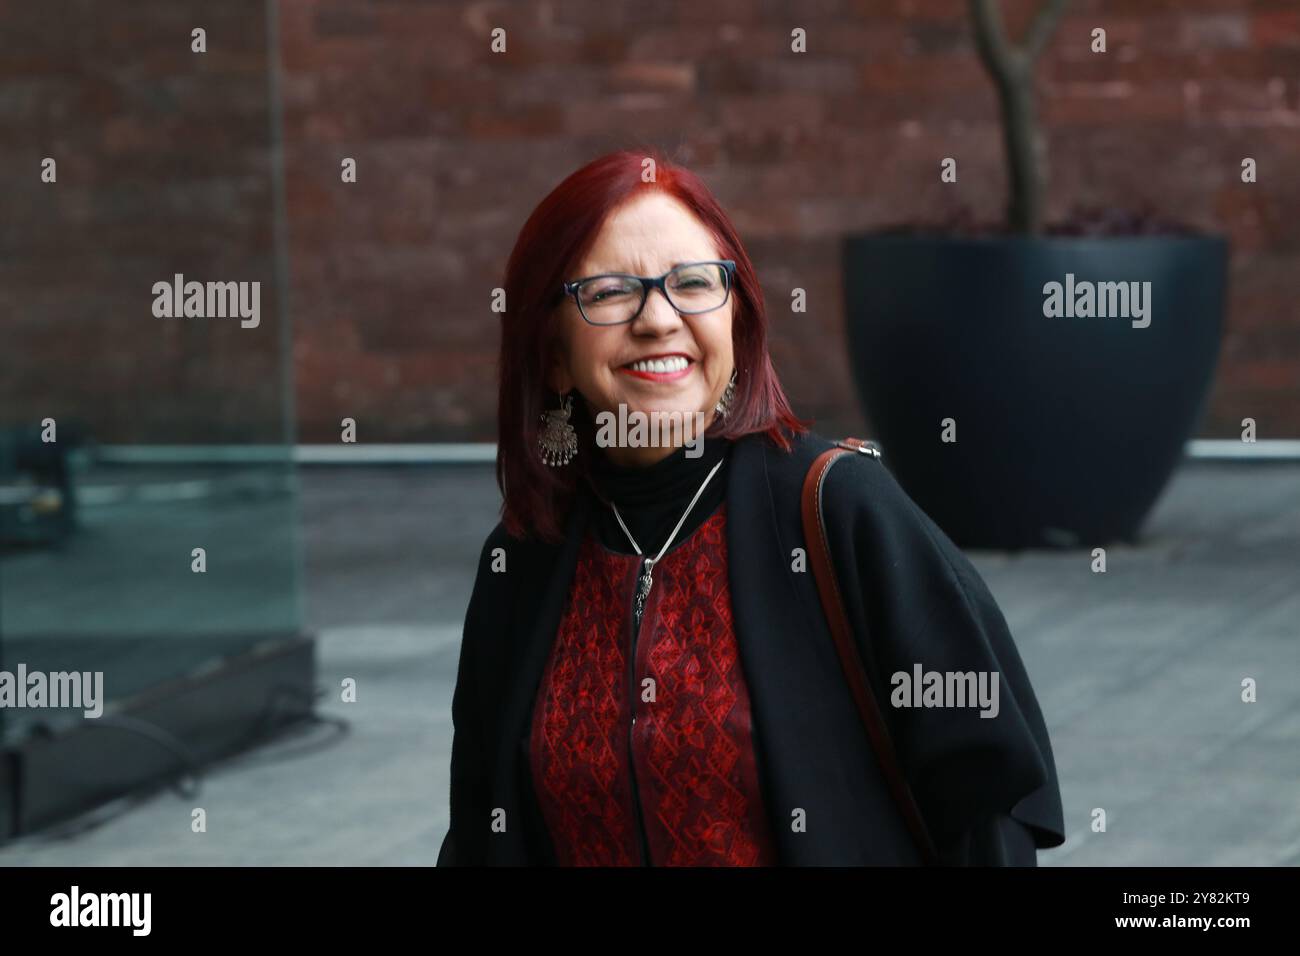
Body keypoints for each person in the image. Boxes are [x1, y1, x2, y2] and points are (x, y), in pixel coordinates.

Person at [437, 148, 1065, 866]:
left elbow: (988, 804)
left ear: (736, 318)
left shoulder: (839, 512)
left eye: (694, 284)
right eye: (610, 292)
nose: (658, 319)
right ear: (551, 354)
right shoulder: (526, 558)